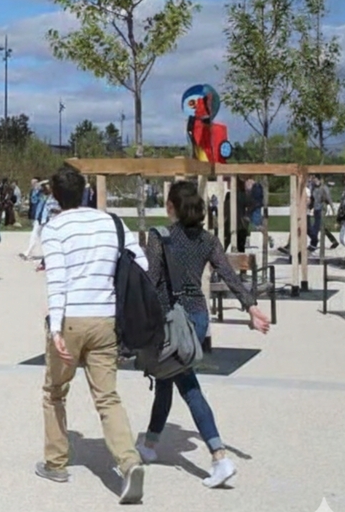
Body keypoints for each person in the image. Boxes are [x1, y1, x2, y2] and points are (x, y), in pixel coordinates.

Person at [137, 181, 271, 489]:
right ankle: (151, 444)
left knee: (187, 386)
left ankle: (219, 456)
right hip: (197, 318)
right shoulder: (208, 240)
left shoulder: (159, 237)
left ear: (171, 207)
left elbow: (150, 279)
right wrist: (250, 306)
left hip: (171, 321)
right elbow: (228, 273)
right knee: (166, 378)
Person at [36, 165, 145, 504]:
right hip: (105, 317)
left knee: (55, 391)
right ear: (85, 190)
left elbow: (58, 280)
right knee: (107, 397)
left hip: (70, 318)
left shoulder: (54, 228)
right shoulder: (111, 223)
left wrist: (55, 328)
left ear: (55, 194)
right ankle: (128, 461)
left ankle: (56, 462)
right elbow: (139, 261)